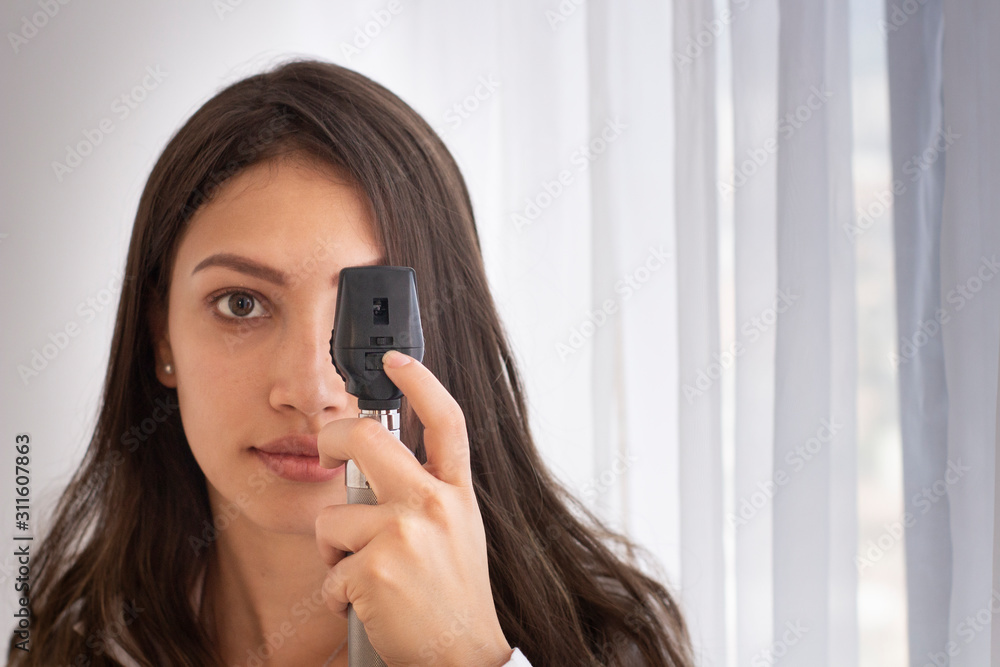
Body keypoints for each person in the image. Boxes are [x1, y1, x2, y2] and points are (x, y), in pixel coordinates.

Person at [7, 59, 696, 666]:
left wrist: (467, 661)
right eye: (242, 304)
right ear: (161, 338)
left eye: (369, 312)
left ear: (444, 327)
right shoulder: (63, 645)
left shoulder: (605, 647)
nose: (311, 389)